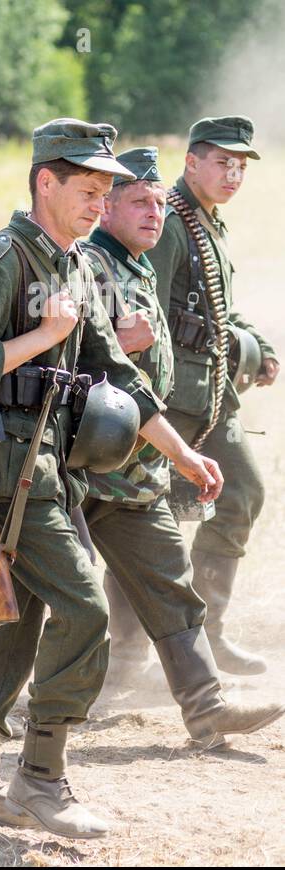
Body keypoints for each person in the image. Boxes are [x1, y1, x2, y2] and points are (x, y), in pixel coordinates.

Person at [0, 120, 222, 839]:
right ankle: (40, 779)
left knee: (9, 628)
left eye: (106, 191)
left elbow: (117, 374)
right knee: (86, 612)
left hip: (50, 471)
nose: (99, 203)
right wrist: (40, 337)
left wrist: (180, 454)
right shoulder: (4, 259)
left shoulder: (79, 266)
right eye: (87, 189)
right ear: (45, 182)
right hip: (6, 475)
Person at [149, 116, 276, 675]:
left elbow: (218, 310)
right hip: (172, 399)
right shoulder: (169, 222)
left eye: (241, 164)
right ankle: (137, 653)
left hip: (211, 396)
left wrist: (260, 346)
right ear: (191, 162)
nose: (233, 173)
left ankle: (207, 635)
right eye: (223, 161)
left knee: (241, 493)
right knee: (150, 523)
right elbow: (143, 306)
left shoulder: (208, 223)